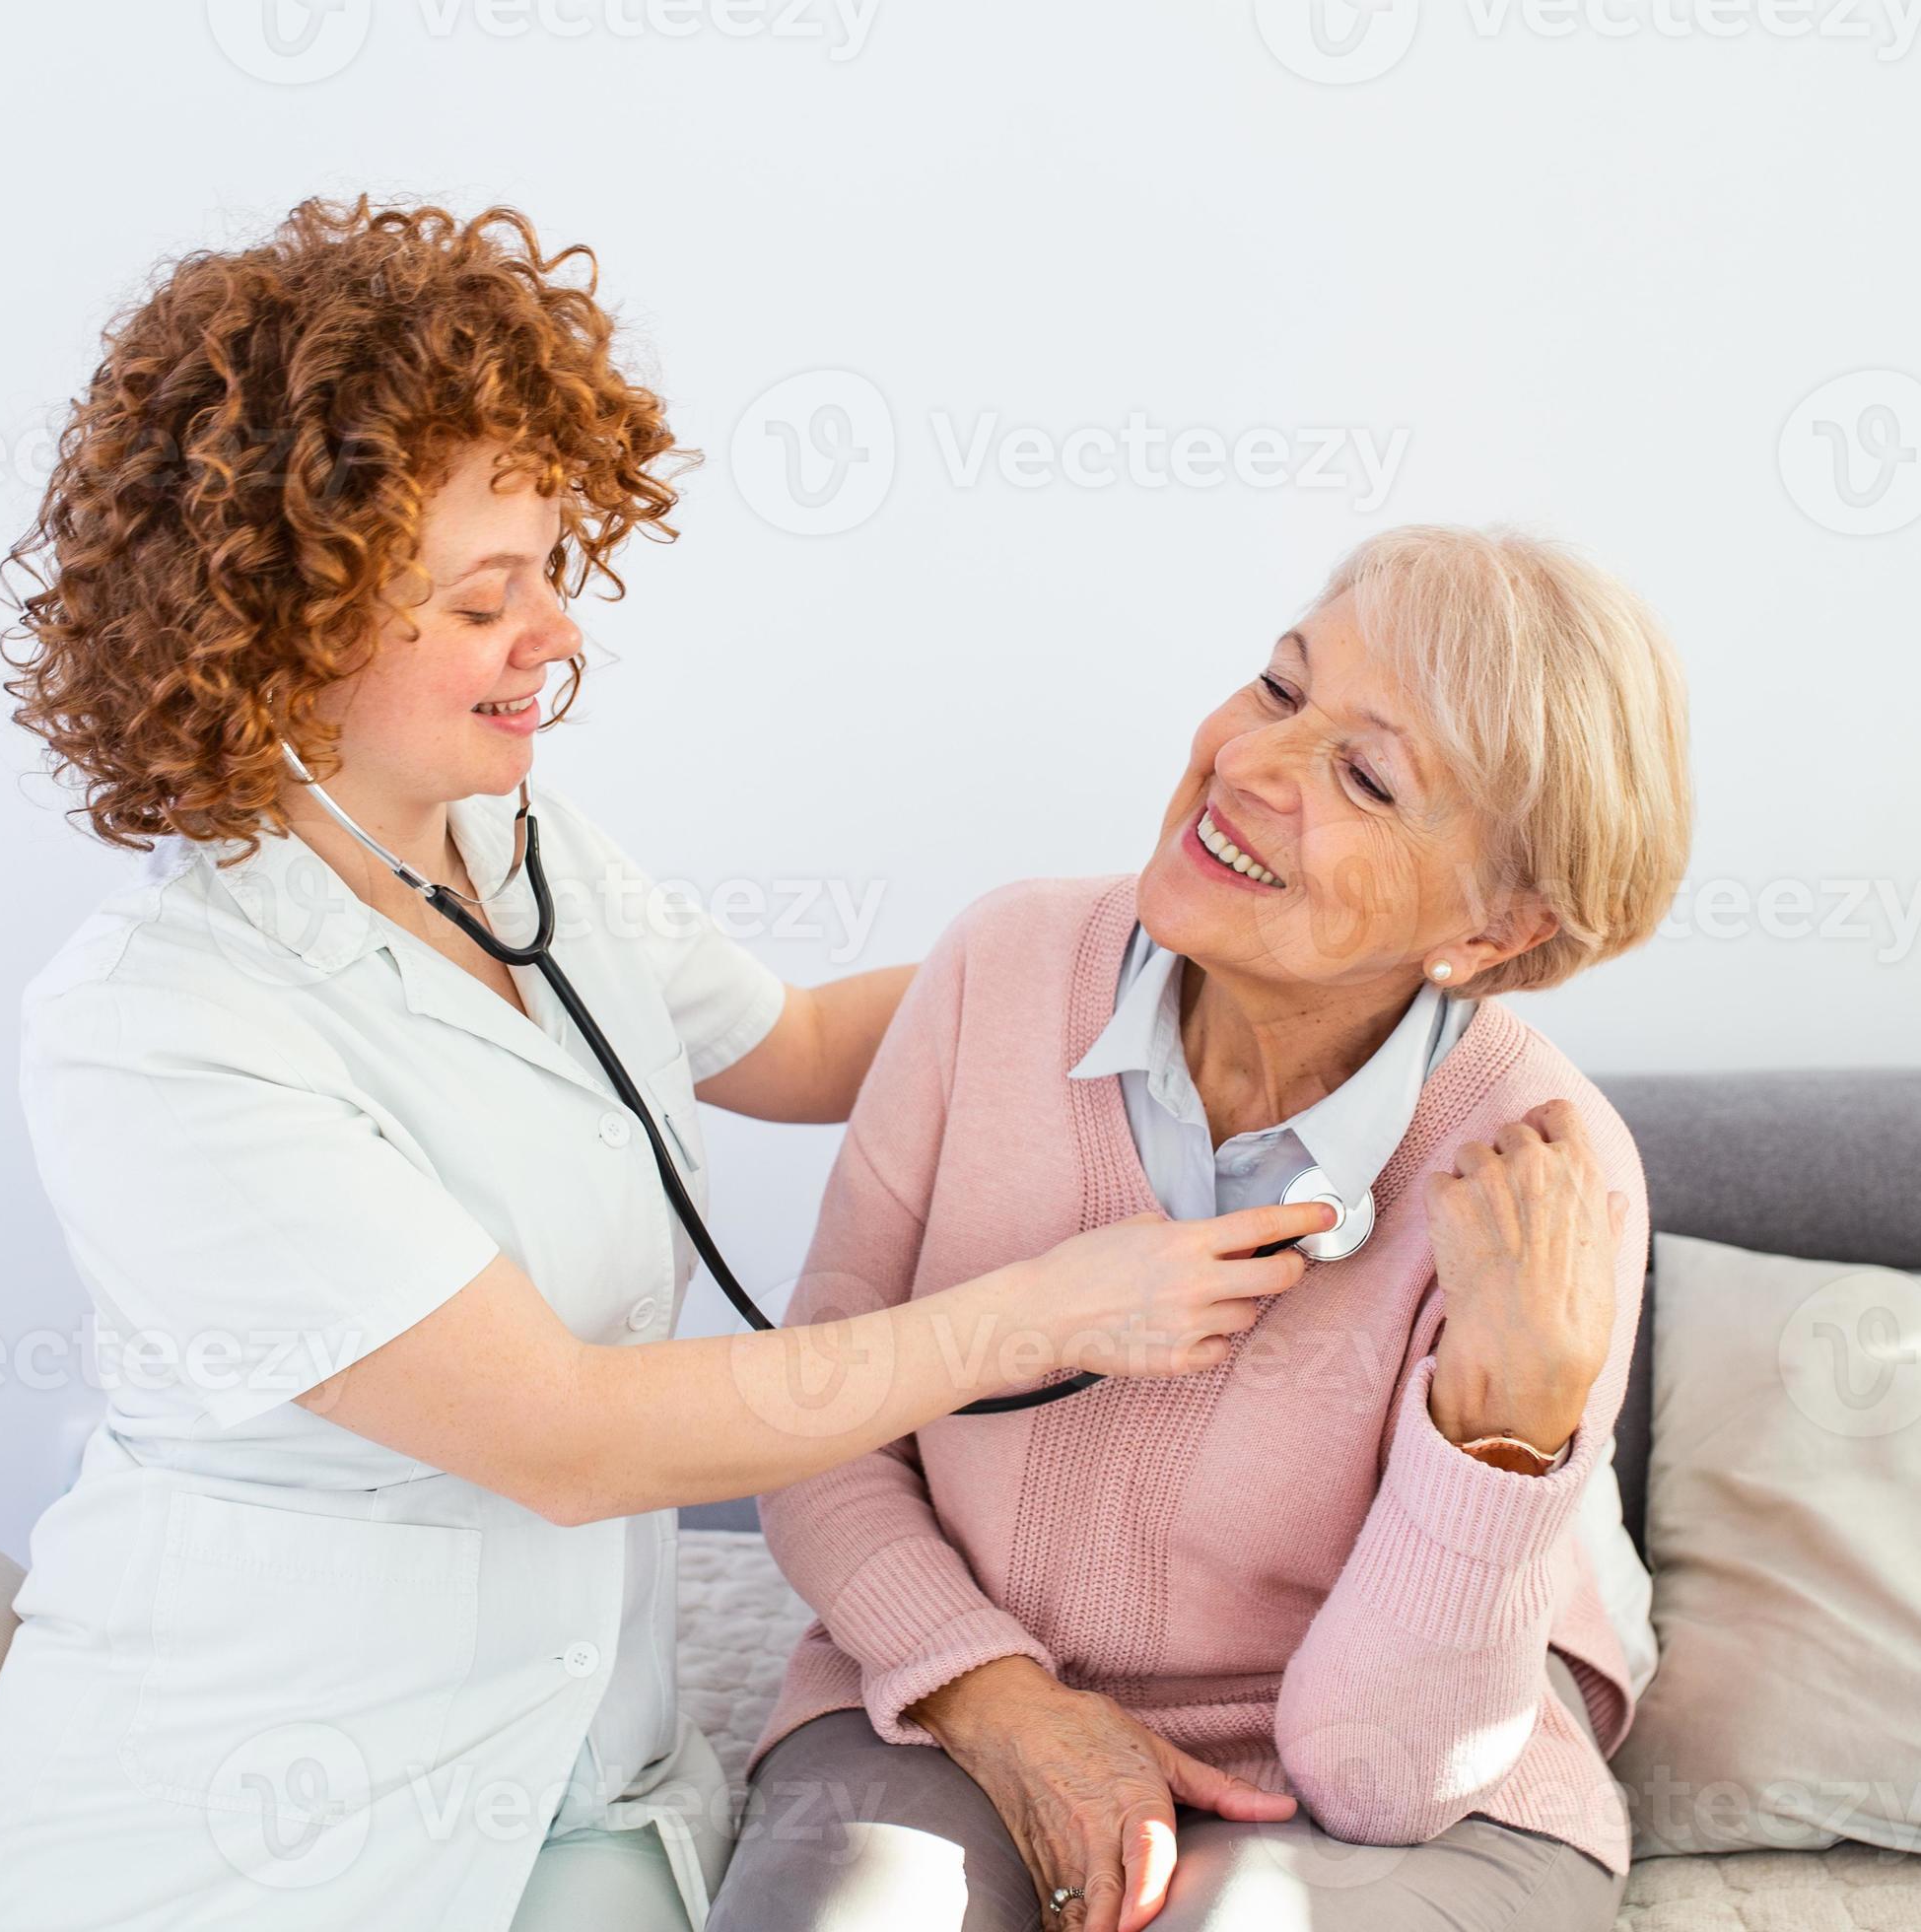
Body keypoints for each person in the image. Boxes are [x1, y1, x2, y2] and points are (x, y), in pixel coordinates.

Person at [0, 196, 1336, 1932]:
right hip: (246, 1837)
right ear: (286, 626)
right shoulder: (161, 1024)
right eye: (484, 599)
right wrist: (1049, 1315)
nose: (558, 635)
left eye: (552, 571)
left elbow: (798, 1043)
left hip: (583, 1794)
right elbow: (569, 1438)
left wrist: (1166, 937)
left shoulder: (517, 846)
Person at [710, 524, 1693, 1932]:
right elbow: (817, 1427)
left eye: (1365, 777)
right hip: (953, 1689)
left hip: (1403, 1767)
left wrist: (1506, 1425)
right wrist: (997, 1699)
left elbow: (1383, 1777)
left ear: (1493, 933)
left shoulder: (1548, 1179)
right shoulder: (1000, 967)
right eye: (1281, 688)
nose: (1248, 763)